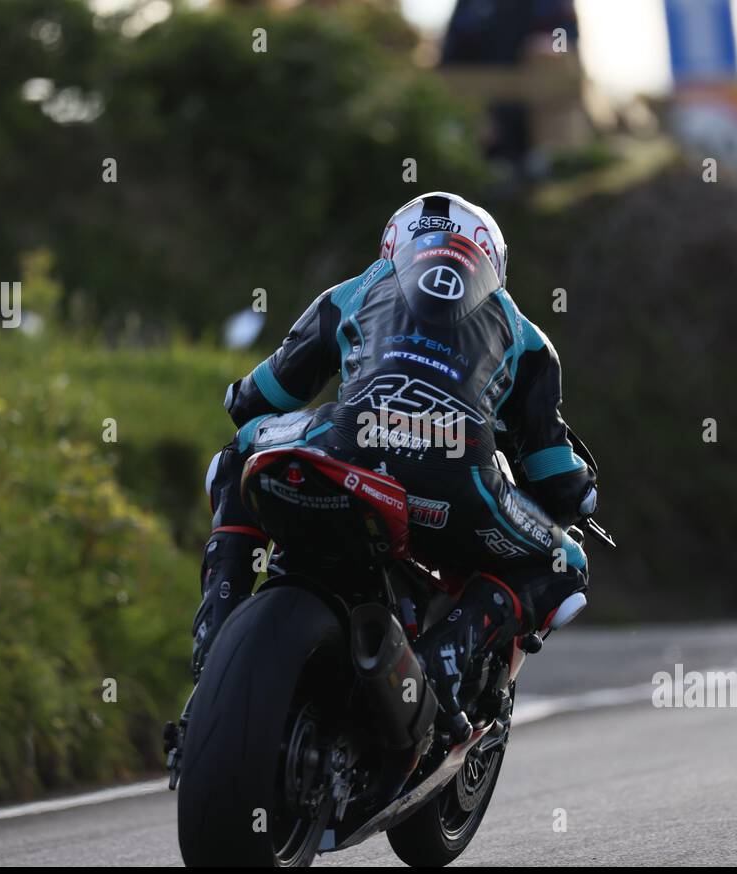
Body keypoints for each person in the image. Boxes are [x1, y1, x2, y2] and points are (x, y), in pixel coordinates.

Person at [191, 192, 597, 741]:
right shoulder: (524, 335)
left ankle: (217, 633)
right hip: (457, 485)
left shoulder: (355, 289)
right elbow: (555, 482)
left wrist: (238, 393)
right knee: (562, 563)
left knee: (240, 452)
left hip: (346, 447)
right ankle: (445, 662)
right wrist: (580, 490)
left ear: (392, 245)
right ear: (494, 262)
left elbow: (262, 398)